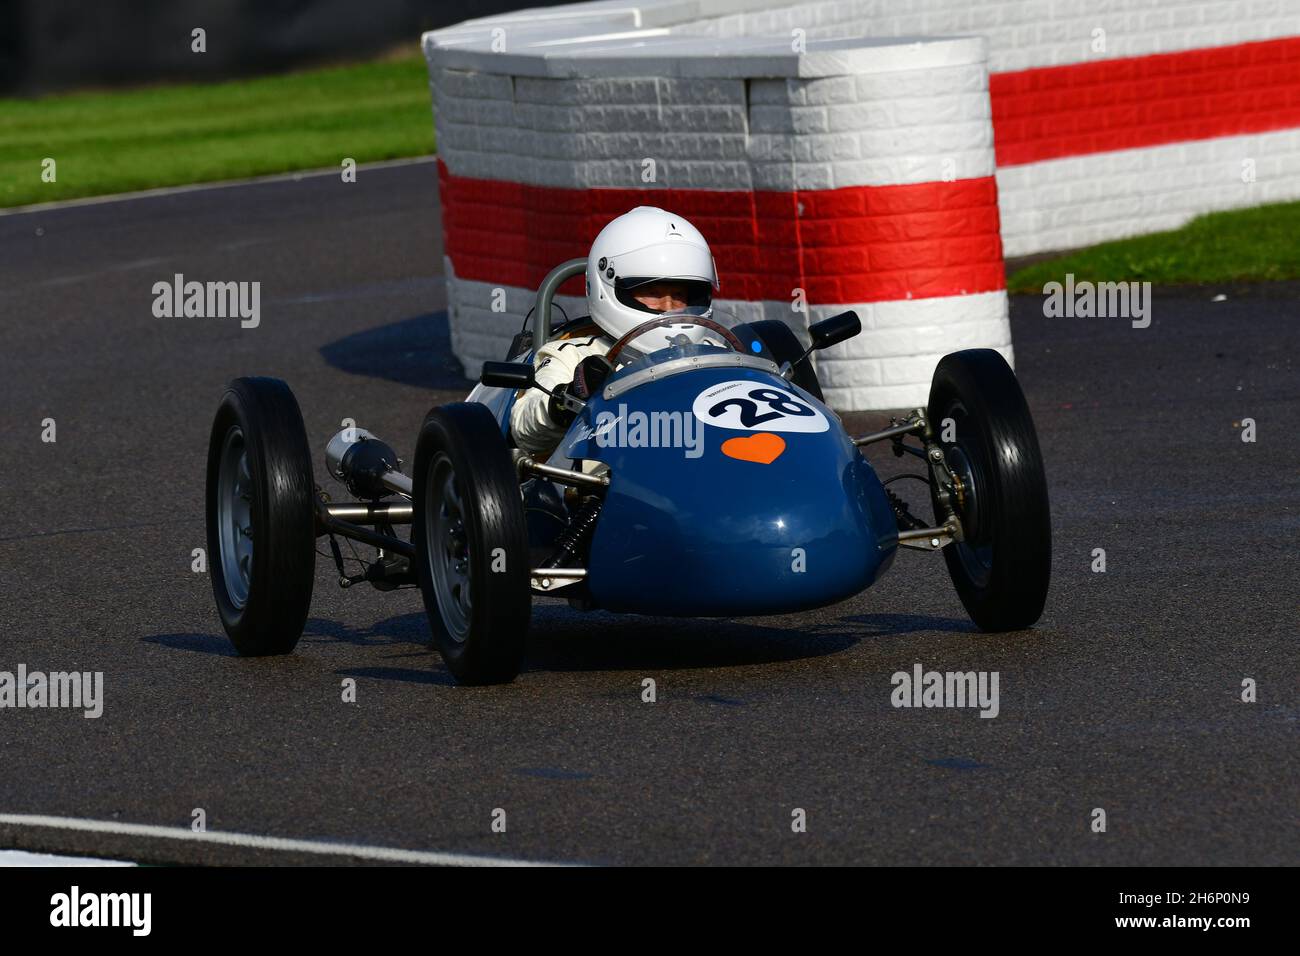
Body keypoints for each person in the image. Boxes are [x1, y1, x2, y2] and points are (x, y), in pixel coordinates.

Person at [509, 206, 718, 457]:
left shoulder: (714, 351)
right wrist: (569, 398)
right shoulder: (572, 354)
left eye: (680, 295)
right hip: (604, 479)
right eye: (652, 292)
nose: (668, 306)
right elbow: (524, 428)